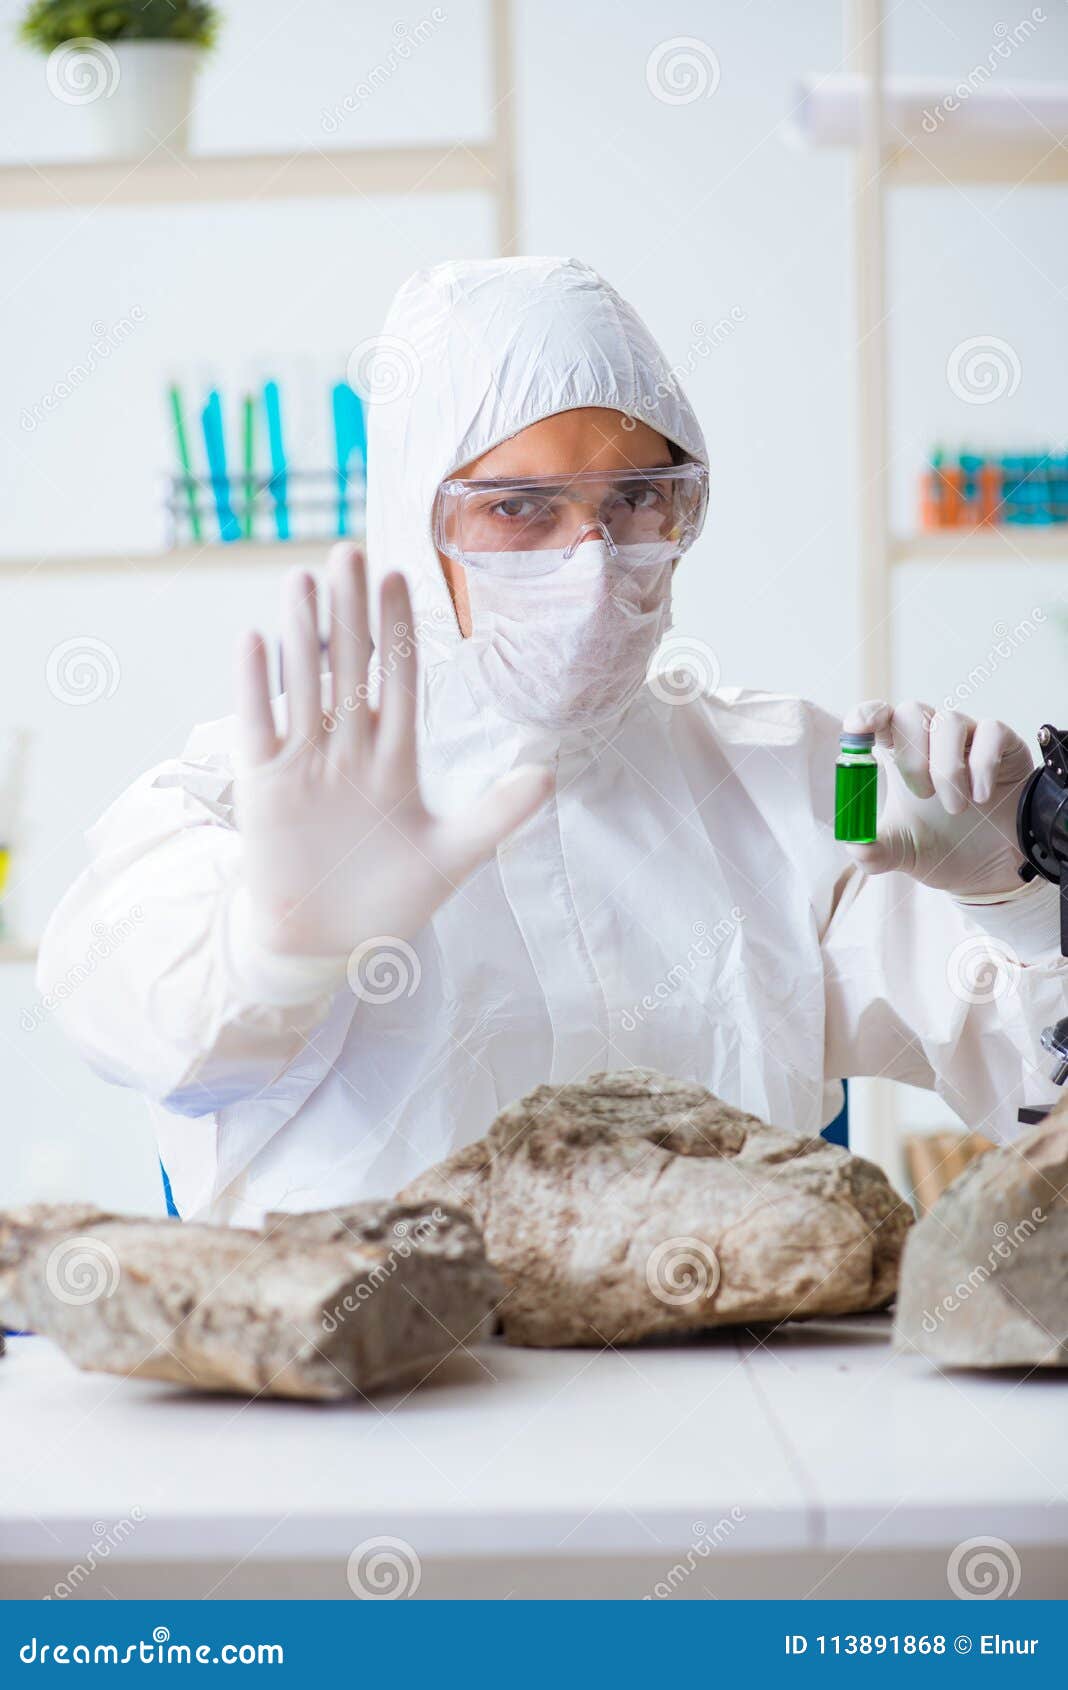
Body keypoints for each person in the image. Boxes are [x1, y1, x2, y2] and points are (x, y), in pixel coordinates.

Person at [37, 257, 1066, 1225]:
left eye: (634, 500)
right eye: (520, 507)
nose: (592, 561)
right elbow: (123, 1010)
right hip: (382, 1400)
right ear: (414, 519)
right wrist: (272, 949)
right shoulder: (269, 784)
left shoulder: (783, 778)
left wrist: (1017, 899)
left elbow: (1037, 1097)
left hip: (726, 1395)